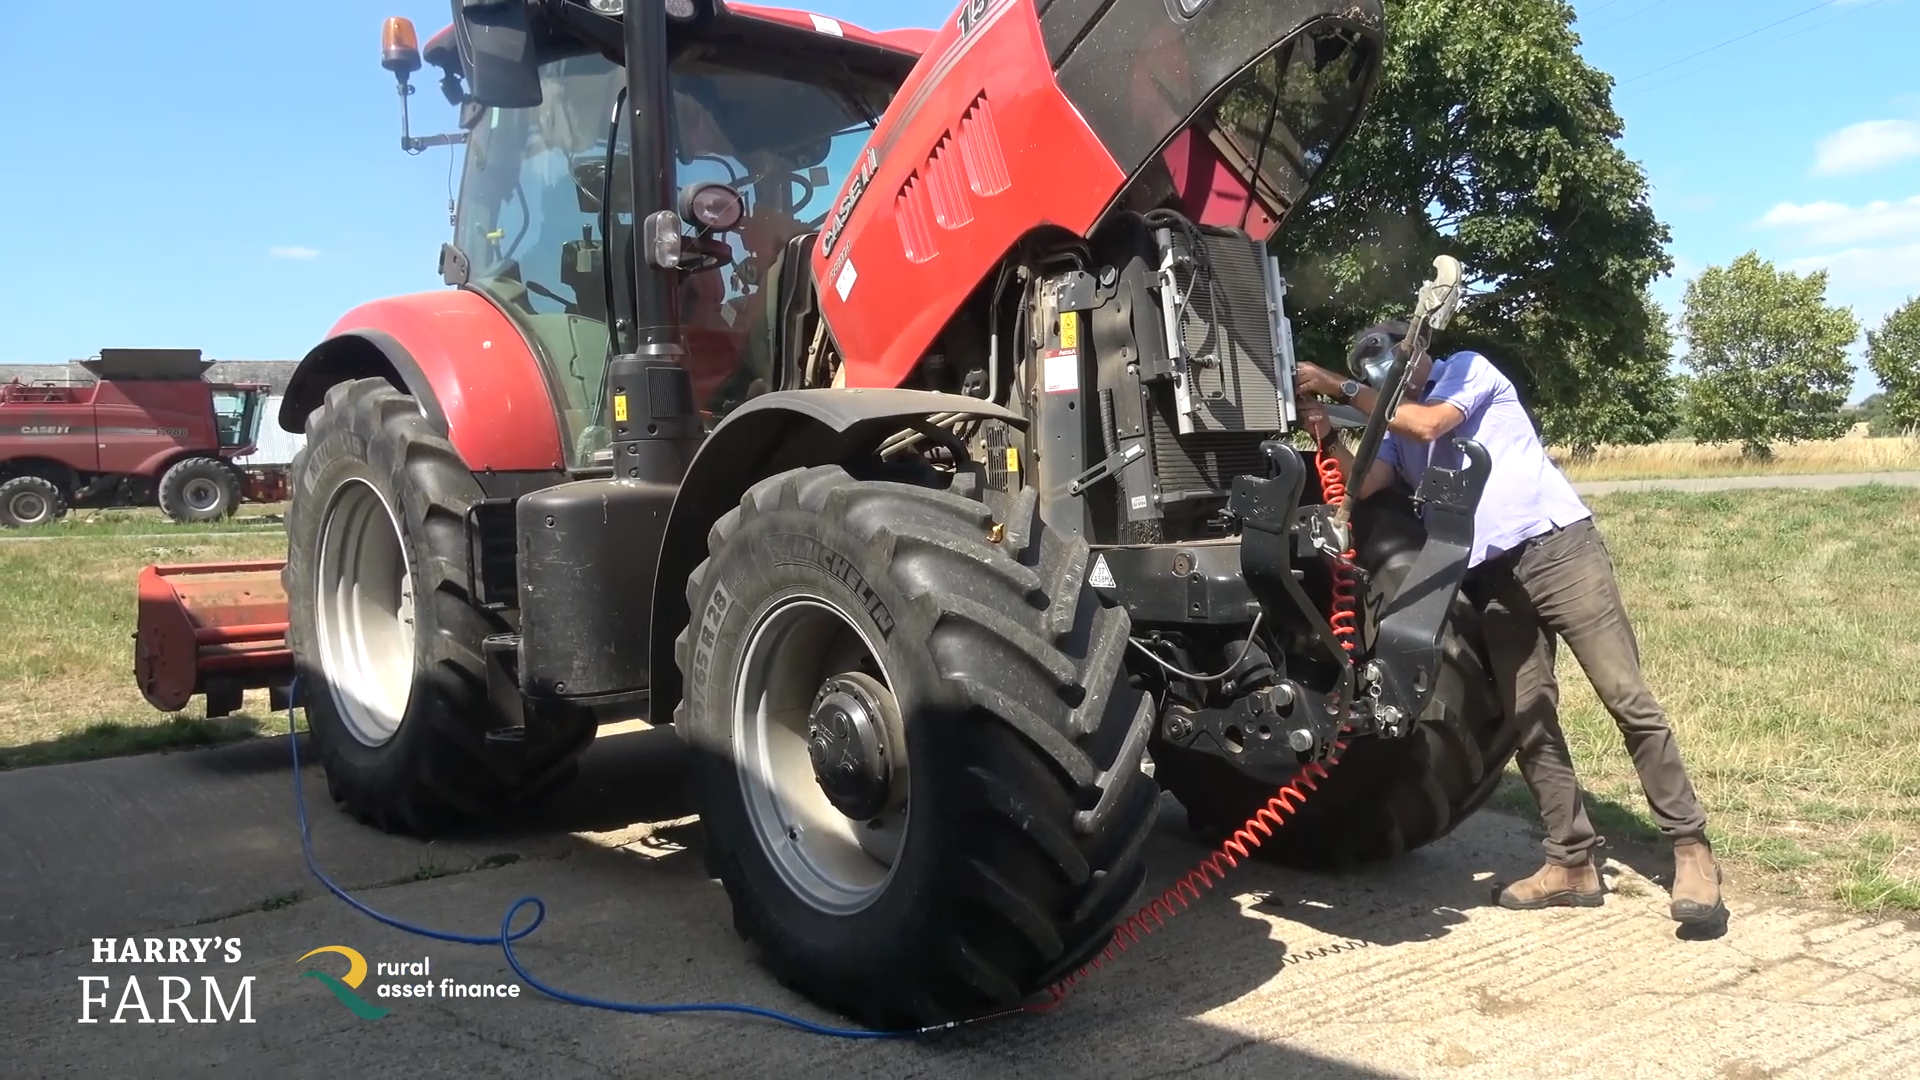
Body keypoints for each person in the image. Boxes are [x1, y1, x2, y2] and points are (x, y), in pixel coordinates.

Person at [1292, 322, 1725, 926]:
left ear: (1419, 351)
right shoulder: (1393, 426)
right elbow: (1368, 482)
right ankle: (1571, 858)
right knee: (1528, 715)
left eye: (1389, 359)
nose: (1383, 373)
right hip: (1491, 576)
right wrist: (1329, 435)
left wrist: (1337, 388)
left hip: (1559, 552)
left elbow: (1429, 425)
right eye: (1370, 369)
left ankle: (1691, 848)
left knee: (1626, 699)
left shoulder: (1467, 370)